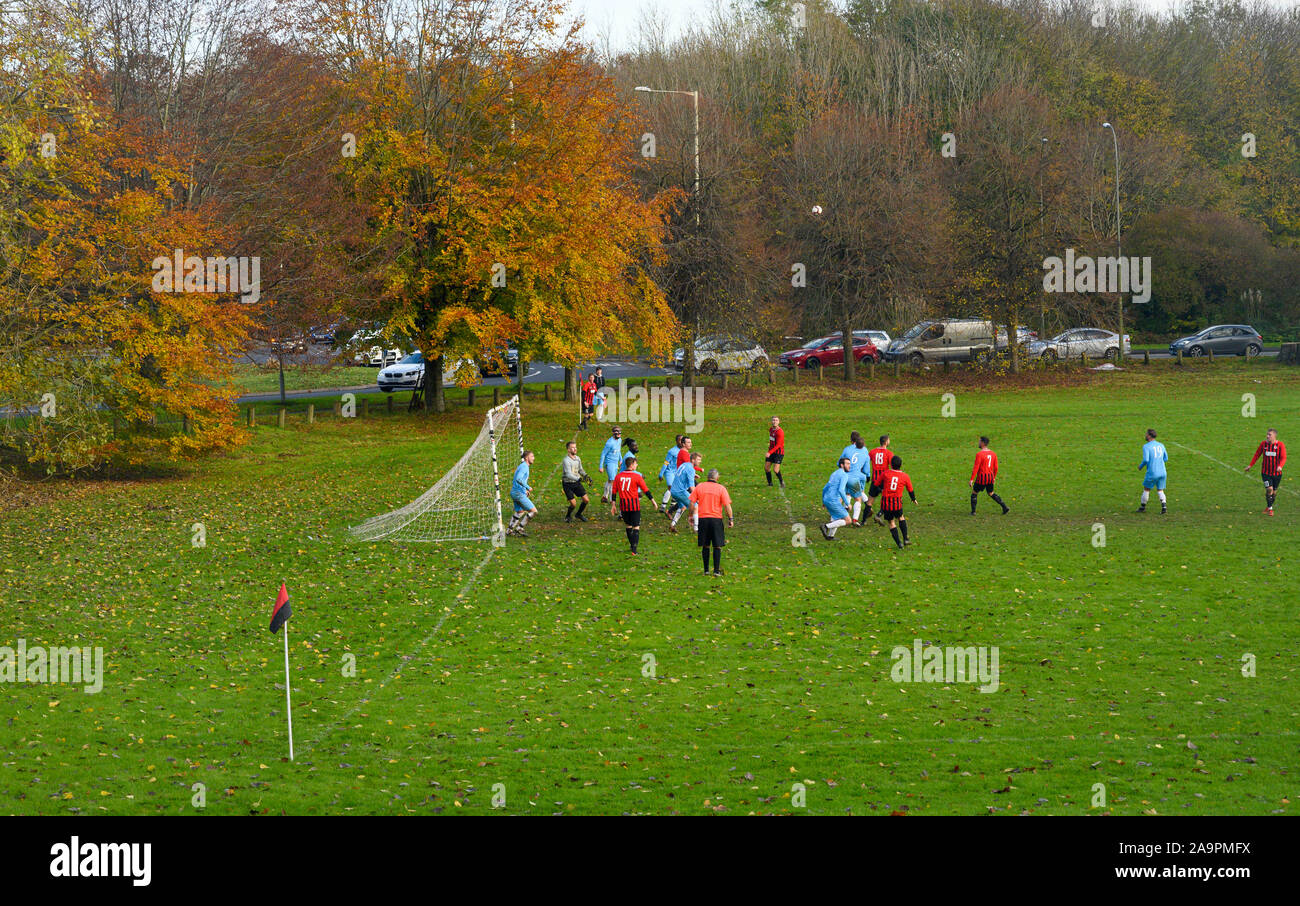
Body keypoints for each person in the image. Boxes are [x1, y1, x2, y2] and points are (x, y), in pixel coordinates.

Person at [690, 468, 734, 576]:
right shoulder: (721, 489)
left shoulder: (700, 486)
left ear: (707, 477)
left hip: (703, 519)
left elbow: (692, 503)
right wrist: (730, 519)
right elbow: (727, 506)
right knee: (717, 545)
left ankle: (706, 570)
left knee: (705, 545)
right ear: (717, 478)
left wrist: (691, 515)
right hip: (716, 520)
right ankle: (716, 571)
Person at [611, 456, 659, 554]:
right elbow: (645, 490)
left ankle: (632, 545)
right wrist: (653, 501)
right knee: (636, 526)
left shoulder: (618, 476)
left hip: (623, 505)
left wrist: (613, 505)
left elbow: (614, 492)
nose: (637, 465)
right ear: (632, 465)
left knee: (628, 526)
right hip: (634, 505)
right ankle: (634, 550)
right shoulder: (637, 476)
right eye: (636, 463)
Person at [1245, 427, 1286, 515]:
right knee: (1269, 489)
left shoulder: (1280, 445)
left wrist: (1280, 466)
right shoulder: (1263, 444)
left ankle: (1268, 506)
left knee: (1274, 492)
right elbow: (1257, 455)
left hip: (1277, 474)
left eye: (1269, 435)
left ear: (1274, 436)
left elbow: (1283, 457)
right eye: (1267, 434)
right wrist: (1250, 465)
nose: (1267, 436)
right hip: (1265, 473)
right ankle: (1271, 509)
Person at [880, 454, 916, 549]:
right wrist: (913, 499)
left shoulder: (885, 473)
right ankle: (905, 539)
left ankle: (899, 543)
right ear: (901, 465)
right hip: (897, 503)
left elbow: (877, 483)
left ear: (891, 464)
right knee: (901, 517)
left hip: (886, 503)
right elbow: (910, 489)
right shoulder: (904, 476)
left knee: (891, 522)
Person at [969, 436, 1009, 515]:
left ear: (983, 443)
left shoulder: (979, 454)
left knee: (974, 493)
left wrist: (971, 479)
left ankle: (973, 512)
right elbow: (996, 467)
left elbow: (976, 468)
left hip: (982, 478)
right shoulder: (993, 454)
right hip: (990, 477)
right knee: (991, 493)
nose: (978, 443)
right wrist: (993, 477)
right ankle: (1004, 507)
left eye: (979, 441)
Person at [819, 457, 855, 540]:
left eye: (850, 464)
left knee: (836, 517)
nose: (849, 466)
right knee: (848, 520)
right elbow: (841, 490)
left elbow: (825, 488)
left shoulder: (834, 473)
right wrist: (847, 503)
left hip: (827, 499)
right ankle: (825, 526)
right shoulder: (844, 475)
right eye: (848, 464)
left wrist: (823, 500)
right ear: (842, 465)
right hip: (833, 500)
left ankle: (830, 536)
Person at [667, 451, 703, 533]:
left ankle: (672, 525)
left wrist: (693, 475)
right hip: (680, 491)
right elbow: (692, 487)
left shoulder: (684, 464)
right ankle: (696, 529)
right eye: (698, 459)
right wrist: (697, 497)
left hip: (673, 490)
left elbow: (680, 474)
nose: (700, 461)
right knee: (695, 506)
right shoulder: (691, 469)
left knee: (682, 507)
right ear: (693, 460)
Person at [840, 431, 870, 522]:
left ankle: (845, 509)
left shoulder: (847, 449)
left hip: (845, 475)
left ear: (851, 440)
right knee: (858, 497)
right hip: (857, 476)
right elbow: (866, 468)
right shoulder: (864, 450)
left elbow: (839, 462)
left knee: (847, 493)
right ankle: (855, 519)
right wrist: (867, 475)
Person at [1137, 428, 1169, 514]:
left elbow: (1146, 460)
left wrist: (1140, 466)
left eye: (1146, 434)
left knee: (1146, 489)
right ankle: (1164, 507)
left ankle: (1142, 507)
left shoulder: (1146, 446)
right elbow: (1166, 458)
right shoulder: (1161, 445)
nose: (1145, 435)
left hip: (1152, 472)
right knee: (1160, 490)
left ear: (1149, 436)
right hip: (1162, 472)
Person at [506, 450, 537, 537]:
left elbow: (518, 479)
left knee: (520, 512)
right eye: (532, 456)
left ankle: (509, 530)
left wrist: (524, 490)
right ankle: (520, 528)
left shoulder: (522, 466)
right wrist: (527, 487)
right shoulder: (524, 467)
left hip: (515, 492)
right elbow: (519, 479)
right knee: (533, 511)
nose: (533, 458)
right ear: (527, 458)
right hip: (518, 494)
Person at [865, 434, 892, 525]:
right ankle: (878, 515)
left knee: (870, 501)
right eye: (889, 440)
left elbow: (866, 461)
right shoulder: (888, 453)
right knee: (888, 500)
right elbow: (893, 467)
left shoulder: (872, 452)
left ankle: (863, 521)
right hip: (884, 481)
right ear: (886, 442)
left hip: (875, 480)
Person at [561, 440, 591, 522]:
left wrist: (586, 476)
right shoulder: (566, 460)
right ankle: (567, 516)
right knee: (573, 504)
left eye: (575, 447)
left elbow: (580, 470)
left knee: (586, 500)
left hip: (576, 483)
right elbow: (568, 474)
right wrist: (580, 479)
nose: (575, 449)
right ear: (568, 450)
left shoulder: (578, 458)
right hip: (567, 484)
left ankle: (578, 514)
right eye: (573, 448)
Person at [599, 425, 623, 502]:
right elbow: (603, 454)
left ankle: (604, 496)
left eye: (620, 433)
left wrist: (621, 459)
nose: (619, 434)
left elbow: (618, 450)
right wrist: (601, 466)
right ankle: (611, 499)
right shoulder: (609, 443)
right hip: (609, 463)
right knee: (613, 480)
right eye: (617, 433)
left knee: (610, 480)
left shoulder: (619, 440)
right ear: (613, 433)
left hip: (615, 463)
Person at [660, 434, 684, 504]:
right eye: (680, 440)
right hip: (669, 471)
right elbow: (666, 462)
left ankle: (672, 505)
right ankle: (664, 505)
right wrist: (661, 474)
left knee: (676, 489)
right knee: (671, 487)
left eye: (682, 440)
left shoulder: (684, 451)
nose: (681, 442)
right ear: (676, 441)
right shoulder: (672, 451)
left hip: (677, 472)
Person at [765, 417, 785, 488]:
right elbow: (771, 441)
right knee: (766, 468)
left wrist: (769, 452)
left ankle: (782, 482)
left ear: (779, 422)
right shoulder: (771, 429)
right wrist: (769, 451)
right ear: (771, 421)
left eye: (776, 420)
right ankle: (770, 483)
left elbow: (778, 445)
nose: (774, 421)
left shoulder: (780, 432)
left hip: (778, 453)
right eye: (773, 420)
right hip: (771, 452)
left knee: (776, 470)